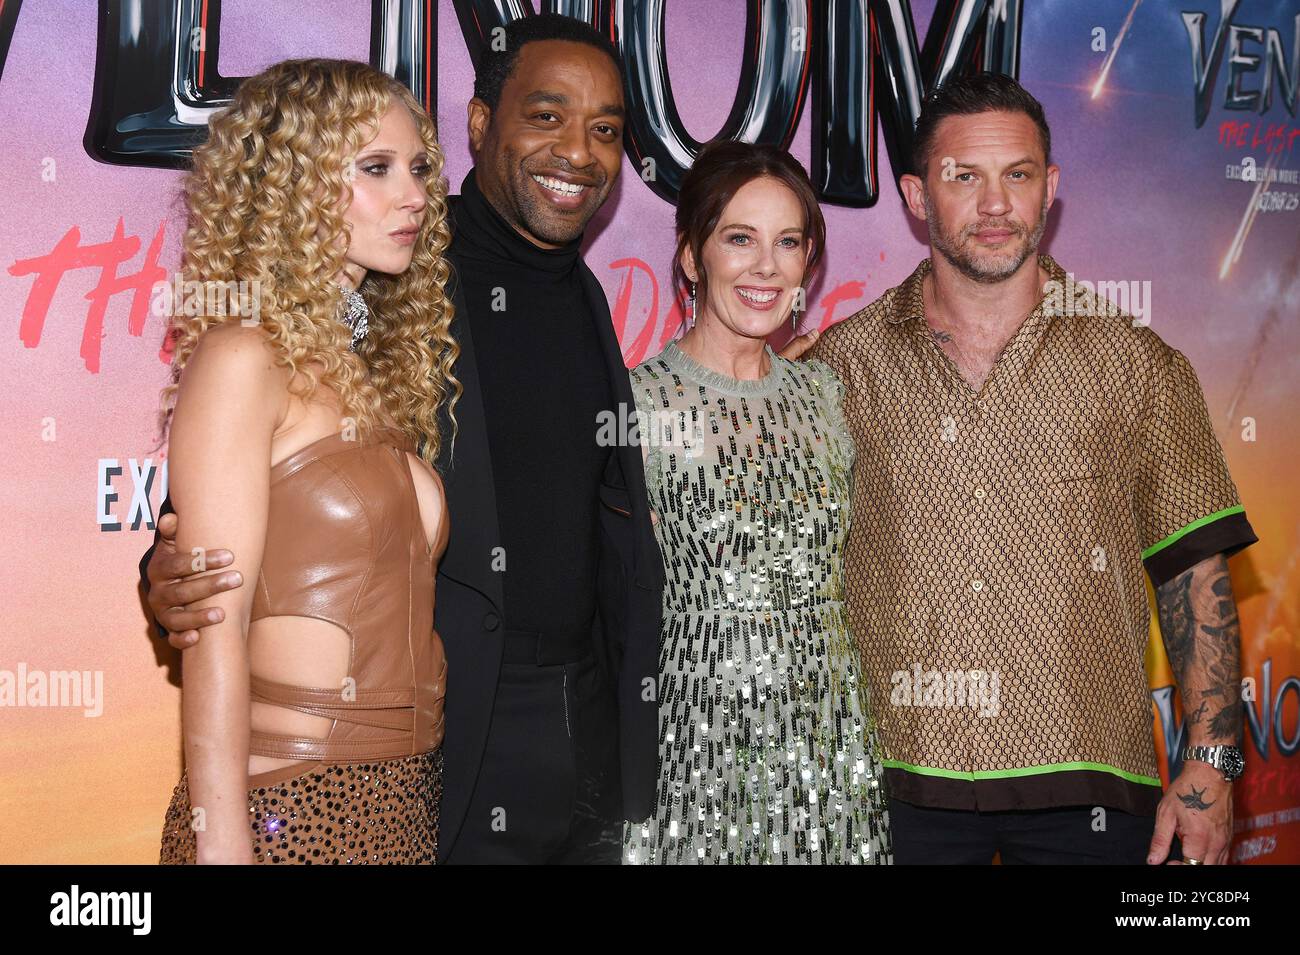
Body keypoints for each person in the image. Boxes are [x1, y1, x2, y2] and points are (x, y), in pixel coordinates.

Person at [143, 15, 819, 865]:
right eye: (546, 116)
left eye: (605, 130)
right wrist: (171, 572)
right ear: (478, 125)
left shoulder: (579, 298)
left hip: (573, 749)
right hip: (450, 746)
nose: (578, 150)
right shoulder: (400, 276)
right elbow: (229, 503)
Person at [807, 72, 1258, 865]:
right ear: (916, 196)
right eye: (963, 177)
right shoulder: (842, 366)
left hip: (1092, 791)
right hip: (892, 786)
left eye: (1016, 175)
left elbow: (1195, 576)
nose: (993, 205)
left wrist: (1211, 768)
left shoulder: (1139, 365)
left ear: (1049, 188)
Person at [151, 58, 460, 863]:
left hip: (401, 807)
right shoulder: (243, 356)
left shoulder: (375, 377)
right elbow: (213, 629)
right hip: (287, 805)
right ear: (296, 182)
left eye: (420, 168)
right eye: (376, 168)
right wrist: (223, 848)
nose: (416, 196)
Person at [622, 140, 893, 864]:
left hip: (829, 735)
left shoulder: (827, 395)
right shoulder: (638, 405)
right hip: (693, 741)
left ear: (809, 261)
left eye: (788, 242)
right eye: (739, 238)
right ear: (691, 254)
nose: (766, 266)